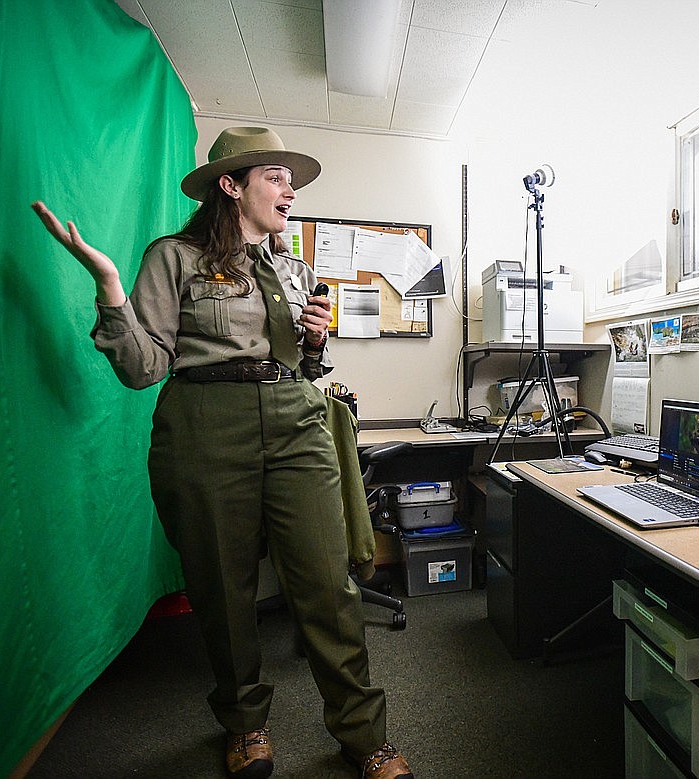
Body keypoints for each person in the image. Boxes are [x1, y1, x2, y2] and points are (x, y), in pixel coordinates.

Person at [32, 126, 413, 779]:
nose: (290, 188)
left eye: (290, 179)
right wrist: (111, 288)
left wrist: (315, 344)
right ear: (231, 185)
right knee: (224, 589)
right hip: (205, 424)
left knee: (328, 583)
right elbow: (143, 367)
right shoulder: (175, 257)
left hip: (296, 419)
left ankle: (363, 734)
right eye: (275, 175)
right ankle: (245, 726)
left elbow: (304, 364)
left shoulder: (296, 269)